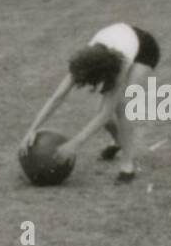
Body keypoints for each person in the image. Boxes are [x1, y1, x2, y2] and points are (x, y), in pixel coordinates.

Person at [21, 22, 161, 183]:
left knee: (121, 105)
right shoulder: (82, 63)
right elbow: (57, 97)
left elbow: (105, 112)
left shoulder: (118, 68)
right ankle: (117, 142)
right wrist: (32, 129)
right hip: (120, 41)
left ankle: (127, 166)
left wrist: (75, 143)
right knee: (106, 118)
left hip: (144, 50)